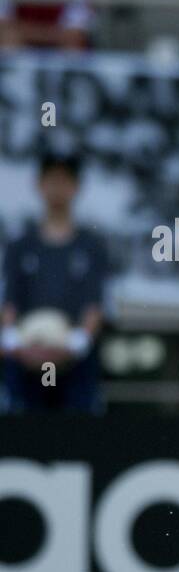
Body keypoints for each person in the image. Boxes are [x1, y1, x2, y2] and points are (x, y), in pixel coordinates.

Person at [1, 153, 108, 413]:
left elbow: (95, 306)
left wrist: (74, 343)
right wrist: (16, 343)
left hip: (75, 365)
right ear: (39, 184)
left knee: (77, 435)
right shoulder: (21, 246)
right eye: (52, 181)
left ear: (76, 187)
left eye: (64, 181)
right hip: (26, 361)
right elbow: (9, 303)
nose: (57, 189)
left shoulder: (91, 247)